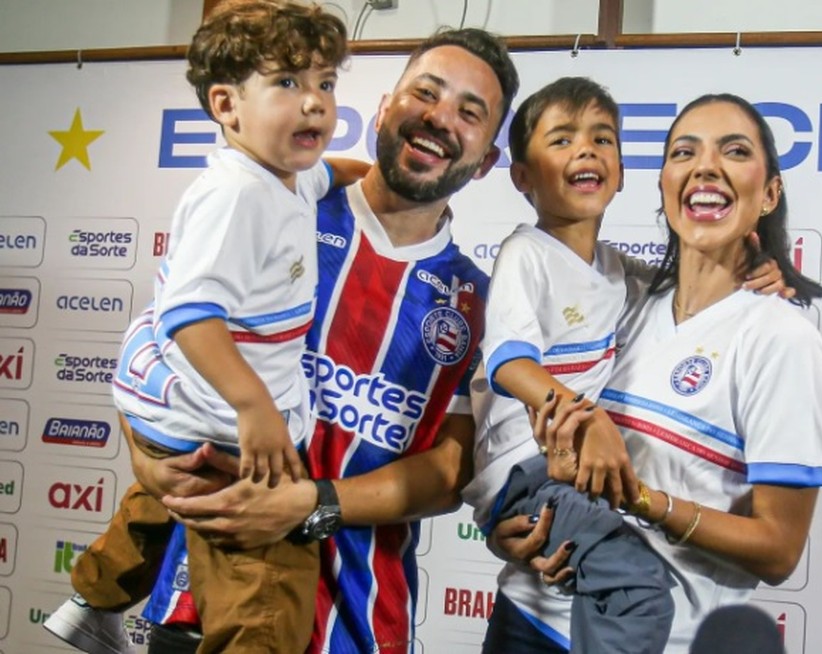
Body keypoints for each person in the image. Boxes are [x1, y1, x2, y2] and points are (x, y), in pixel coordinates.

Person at [120, 27, 521, 654]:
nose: (441, 118)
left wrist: (313, 503)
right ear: (384, 109)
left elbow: (450, 472)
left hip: (360, 624)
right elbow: (159, 348)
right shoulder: (273, 203)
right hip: (207, 602)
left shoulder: (482, 300)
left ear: (487, 159)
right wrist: (147, 462)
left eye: (470, 113)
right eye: (426, 93)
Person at [43, 1, 348, 652]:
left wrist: (372, 180)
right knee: (267, 583)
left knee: (163, 500)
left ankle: (93, 601)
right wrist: (254, 407)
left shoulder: (287, 175)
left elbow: (331, 175)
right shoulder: (237, 195)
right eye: (287, 82)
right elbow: (191, 313)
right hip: (215, 418)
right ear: (226, 106)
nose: (315, 102)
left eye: (325, 82)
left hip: (171, 410)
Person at [488, 93, 822, 653]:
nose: (706, 167)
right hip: (526, 613)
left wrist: (640, 500)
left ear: (770, 193)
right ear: (662, 183)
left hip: (650, 638)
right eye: (684, 152)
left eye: (734, 151)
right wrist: (524, 526)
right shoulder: (624, 297)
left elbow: (778, 551)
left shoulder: (783, 341)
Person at [462, 77, 675, 654]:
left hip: (562, 475)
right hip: (524, 474)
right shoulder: (525, 253)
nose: (586, 150)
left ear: (621, 171)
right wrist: (587, 420)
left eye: (603, 139)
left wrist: (760, 268)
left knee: (621, 583)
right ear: (522, 176)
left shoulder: (617, 269)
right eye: (562, 140)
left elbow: (690, 283)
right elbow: (509, 362)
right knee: (639, 591)